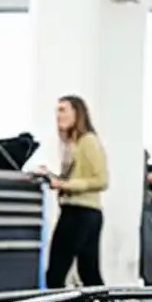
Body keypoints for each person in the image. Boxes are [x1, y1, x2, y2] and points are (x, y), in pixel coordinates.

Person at [37, 95, 108, 290]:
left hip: (81, 212)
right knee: (89, 273)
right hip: (79, 211)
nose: (58, 115)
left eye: (63, 110)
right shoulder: (71, 144)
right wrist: (51, 176)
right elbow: (72, 179)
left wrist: (63, 185)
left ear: (77, 113)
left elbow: (101, 180)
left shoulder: (88, 141)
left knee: (57, 273)